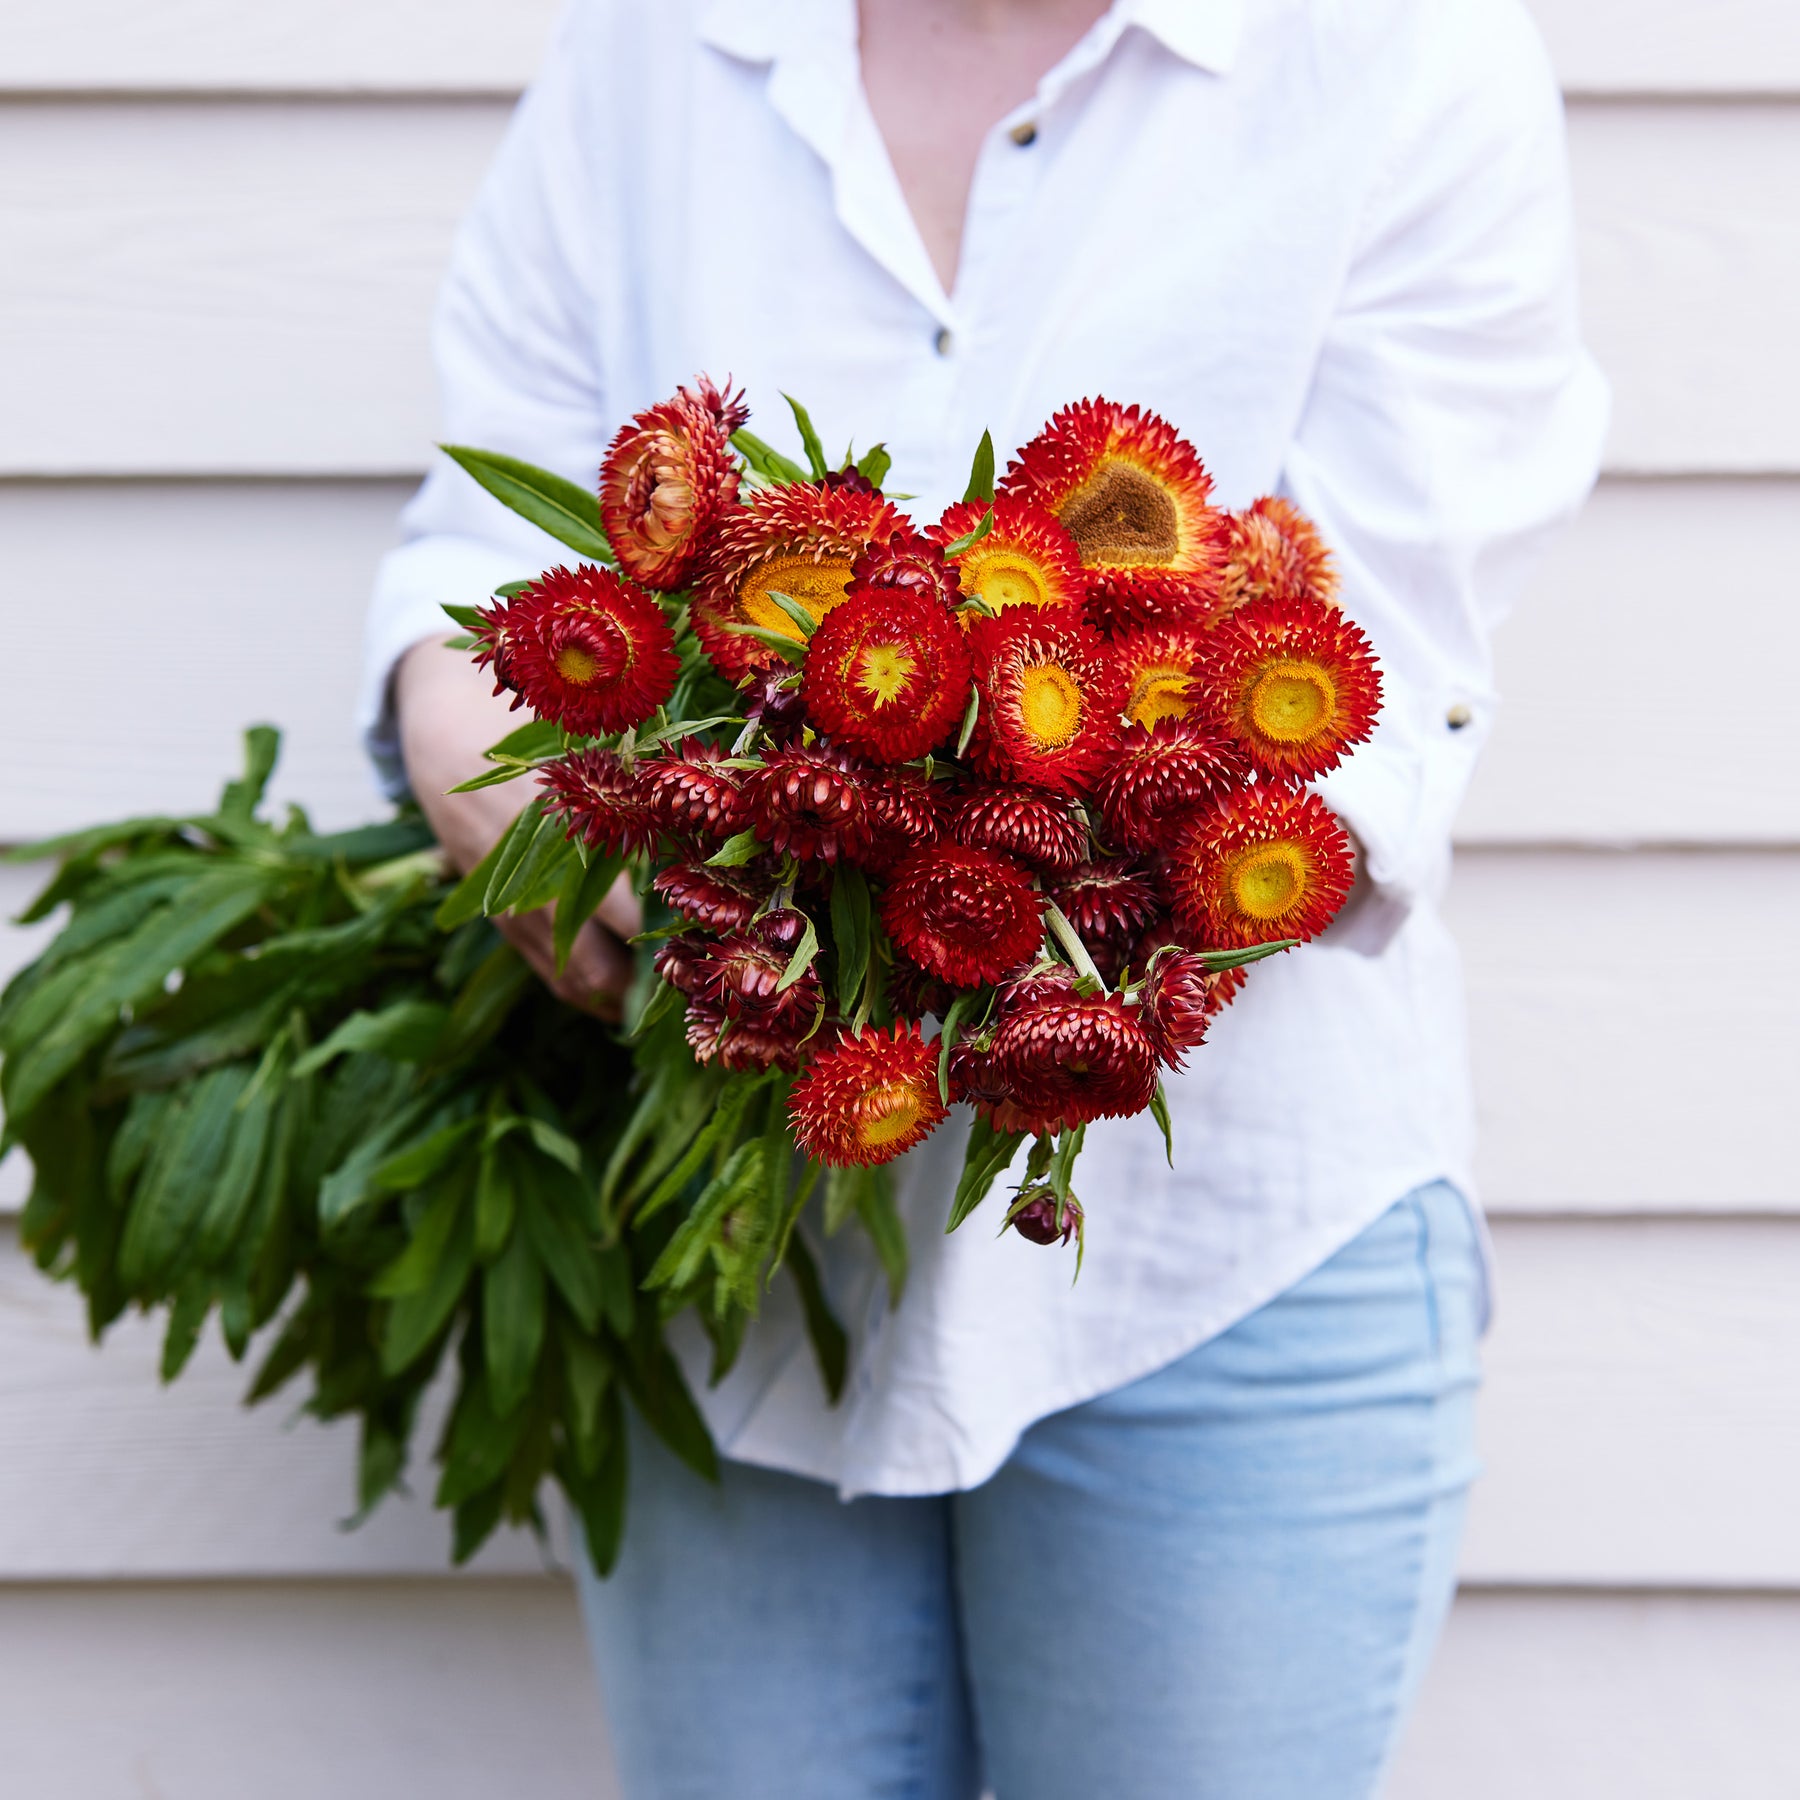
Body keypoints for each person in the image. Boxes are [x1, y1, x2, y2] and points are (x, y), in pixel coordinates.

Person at [365, 1, 1607, 1793]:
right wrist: (472, 737)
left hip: (1219, 1259)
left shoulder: (1403, 53)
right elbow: (490, 527)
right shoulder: (658, 44)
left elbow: (1371, 686)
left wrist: (831, 809)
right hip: (736, 1250)